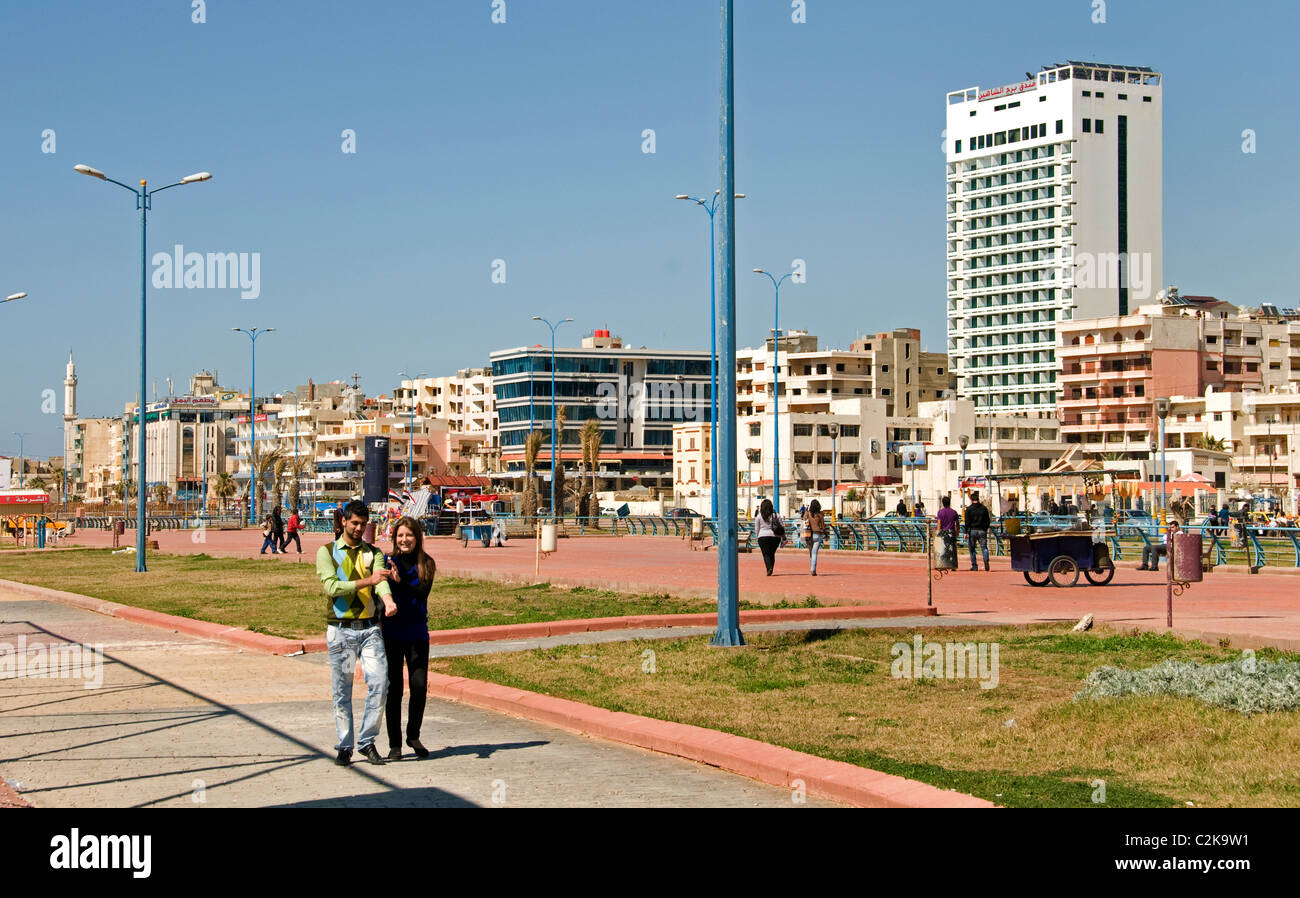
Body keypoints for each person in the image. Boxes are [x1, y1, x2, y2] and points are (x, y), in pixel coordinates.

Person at [316, 500, 396, 766]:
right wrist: (368, 582)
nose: (359, 528)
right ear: (343, 522)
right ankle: (345, 744)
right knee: (343, 690)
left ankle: (366, 741)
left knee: (381, 684)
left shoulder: (374, 553)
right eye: (355, 523)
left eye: (363, 524)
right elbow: (332, 587)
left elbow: (381, 581)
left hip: (370, 630)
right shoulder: (327, 552)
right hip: (341, 631)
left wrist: (388, 600)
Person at [382, 516, 436, 761]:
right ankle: (394, 744)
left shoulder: (427, 563)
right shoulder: (386, 561)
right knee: (394, 689)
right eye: (400, 536)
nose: (404, 540)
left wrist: (399, 582)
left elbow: (421, 593)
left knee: (418, 686)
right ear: (395, 538)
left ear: (417, 538)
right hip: (392, 633)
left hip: (416, 634)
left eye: (409, 535)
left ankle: (413, 735)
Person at [755, 498, 784, 576]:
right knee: (772, 553)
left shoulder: (759, 516)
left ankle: (769, 568)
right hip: (775, 537)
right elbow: (781, 526)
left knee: (766, 554)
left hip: (762, 537)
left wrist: (757, 537)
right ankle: (771, 567)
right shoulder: (776, 515)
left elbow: (757, 528)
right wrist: (783, 537)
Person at [963, 491, 990, 571]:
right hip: (982, 530)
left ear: (971, 499)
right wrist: (985, 529)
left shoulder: (969, 509)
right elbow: (987, 520)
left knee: (972, 549)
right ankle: (985, 559)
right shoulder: (984, 508)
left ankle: (974, 566)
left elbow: (967, 522)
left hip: (972, 531)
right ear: (978, 499)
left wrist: (965, 532)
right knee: (984, 547)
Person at [801, 499, 827, 576]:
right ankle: (813, 569)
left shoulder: (808, 514)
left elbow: (803, 521)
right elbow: (823, 526)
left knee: (811, 553)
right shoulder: (820, 515)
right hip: (817, 534)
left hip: (808, 535)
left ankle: (811, 568)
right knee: (815, 553)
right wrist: (826, 534)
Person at [936, 494, 959, 568]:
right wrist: (957, 532)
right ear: (950, 502)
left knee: (944, 548)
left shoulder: (940, 512)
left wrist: (938, 532)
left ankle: (944, 563)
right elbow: (957, 523)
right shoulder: (954, 512)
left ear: (943, 503)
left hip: (943, 532)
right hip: (951, 532)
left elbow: (939, 523)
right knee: (952, 549)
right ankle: (953, 565)